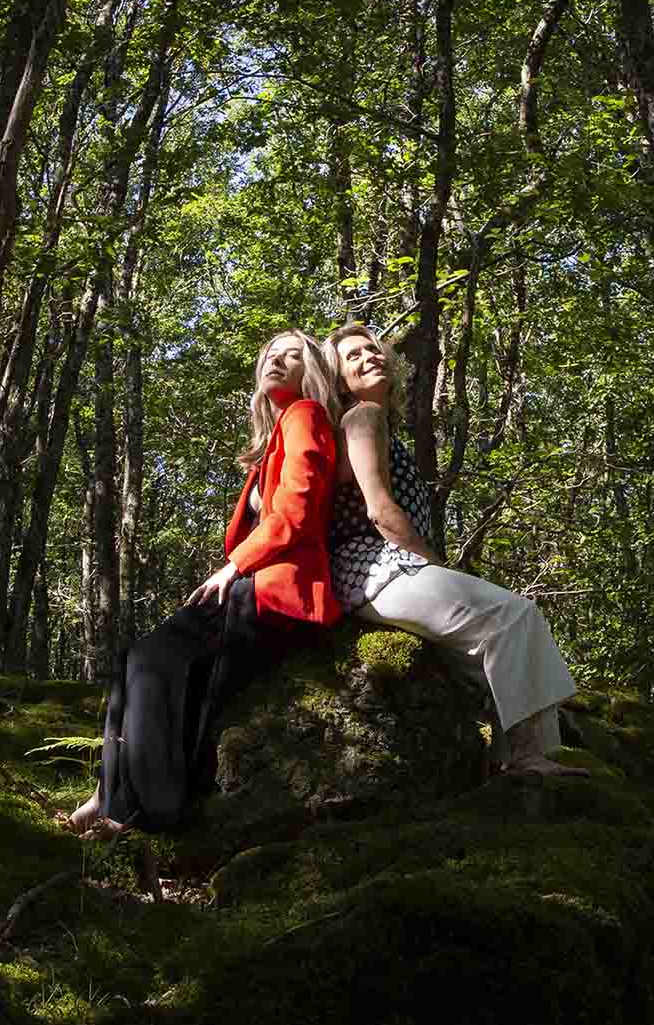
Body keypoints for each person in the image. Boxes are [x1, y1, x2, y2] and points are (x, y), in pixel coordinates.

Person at [67, 330, 341, 838]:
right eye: (271, 355)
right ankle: (111, 793)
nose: (277, 362)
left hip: (277, 593)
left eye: (293, 356)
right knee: (138, 659)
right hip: (255, 587)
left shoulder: (306, 414)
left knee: (153, 662)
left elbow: (297, 513)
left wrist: (235, 565)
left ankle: (141, 813)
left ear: (313, 373)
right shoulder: (275, 436)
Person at [324, 323, 585, 777]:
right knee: (513, 616)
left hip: (368, 573)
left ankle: (521, 764)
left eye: (373, 348)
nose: (369, 356)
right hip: (372, 567)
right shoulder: (362, 418)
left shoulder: (378, 423)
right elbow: (380, 510)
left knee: (488, 657)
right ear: (337, 381)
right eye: (353, 356)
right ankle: (526, 759)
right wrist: (429, 563)